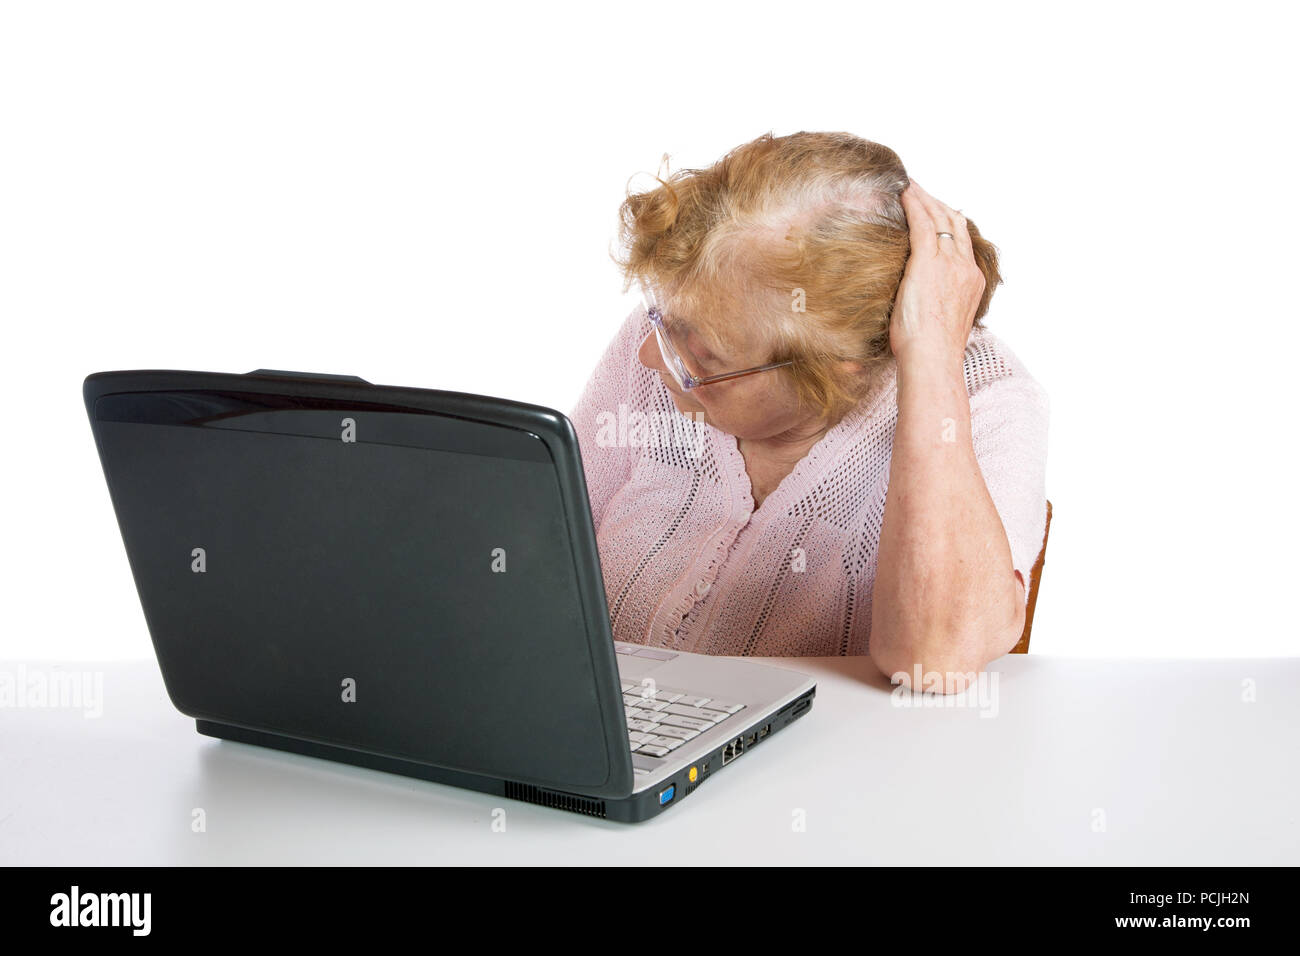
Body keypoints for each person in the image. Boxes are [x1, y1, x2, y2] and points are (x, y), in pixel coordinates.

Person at [571, 131, 1048, 691]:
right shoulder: (681, 323)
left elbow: (935, 657)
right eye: (660, 318)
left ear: (834, 368)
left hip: (830, 771)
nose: (651, 356)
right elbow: (540, 548)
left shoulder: (987, 398)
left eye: (701, 356)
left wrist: (932, 355)